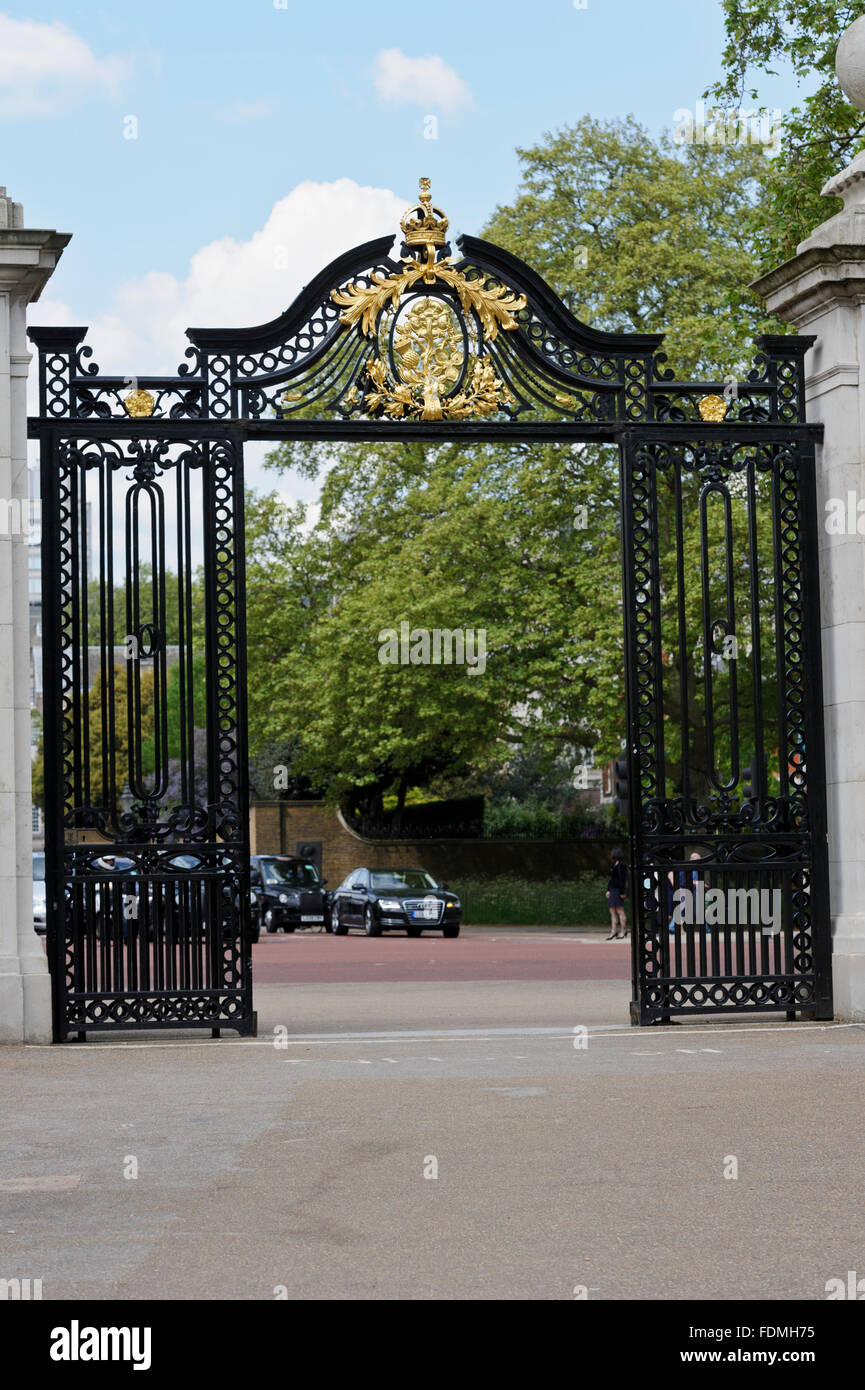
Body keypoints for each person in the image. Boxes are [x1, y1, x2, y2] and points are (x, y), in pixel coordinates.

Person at [605, 847, 628, 940]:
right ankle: (613, 931)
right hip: (612, 890)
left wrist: (622, 892)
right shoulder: (614, 865)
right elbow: (611, 879)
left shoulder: (622, 865)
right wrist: (608, 890)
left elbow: (623, 880)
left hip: (618, 890)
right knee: (612, 911)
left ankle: (623, 931)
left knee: (620, 911)